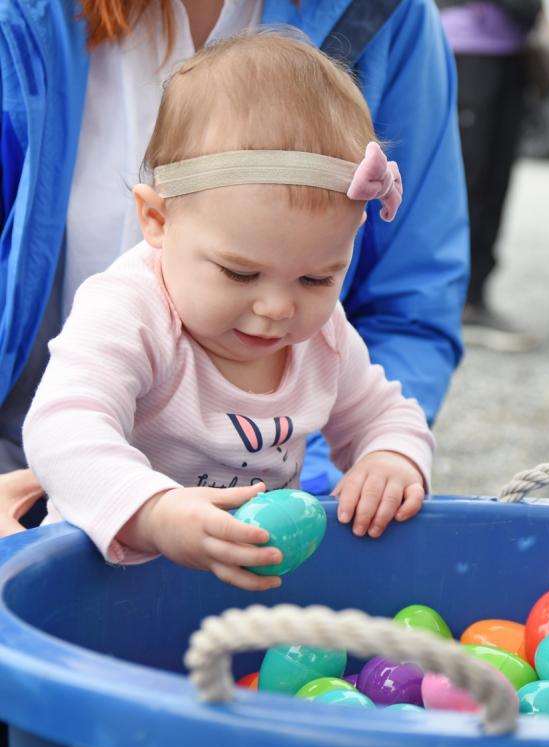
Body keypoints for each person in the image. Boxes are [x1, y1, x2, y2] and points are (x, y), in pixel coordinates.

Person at [0, 0, 469, 537]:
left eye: (316, 278)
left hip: (254, 560)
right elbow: (63, 426)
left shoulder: (323, 336)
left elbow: (385, 409)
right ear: (156, 219)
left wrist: (391, 458)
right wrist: (152, 512)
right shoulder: (130, 310)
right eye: (240, 274)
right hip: (114, 567)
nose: (277, 307)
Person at [436, 0, 542, 351]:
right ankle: (452, 301)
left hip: (513, 50)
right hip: (467, 50)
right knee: (470, 180)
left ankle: (476, 297)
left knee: (497, 181)